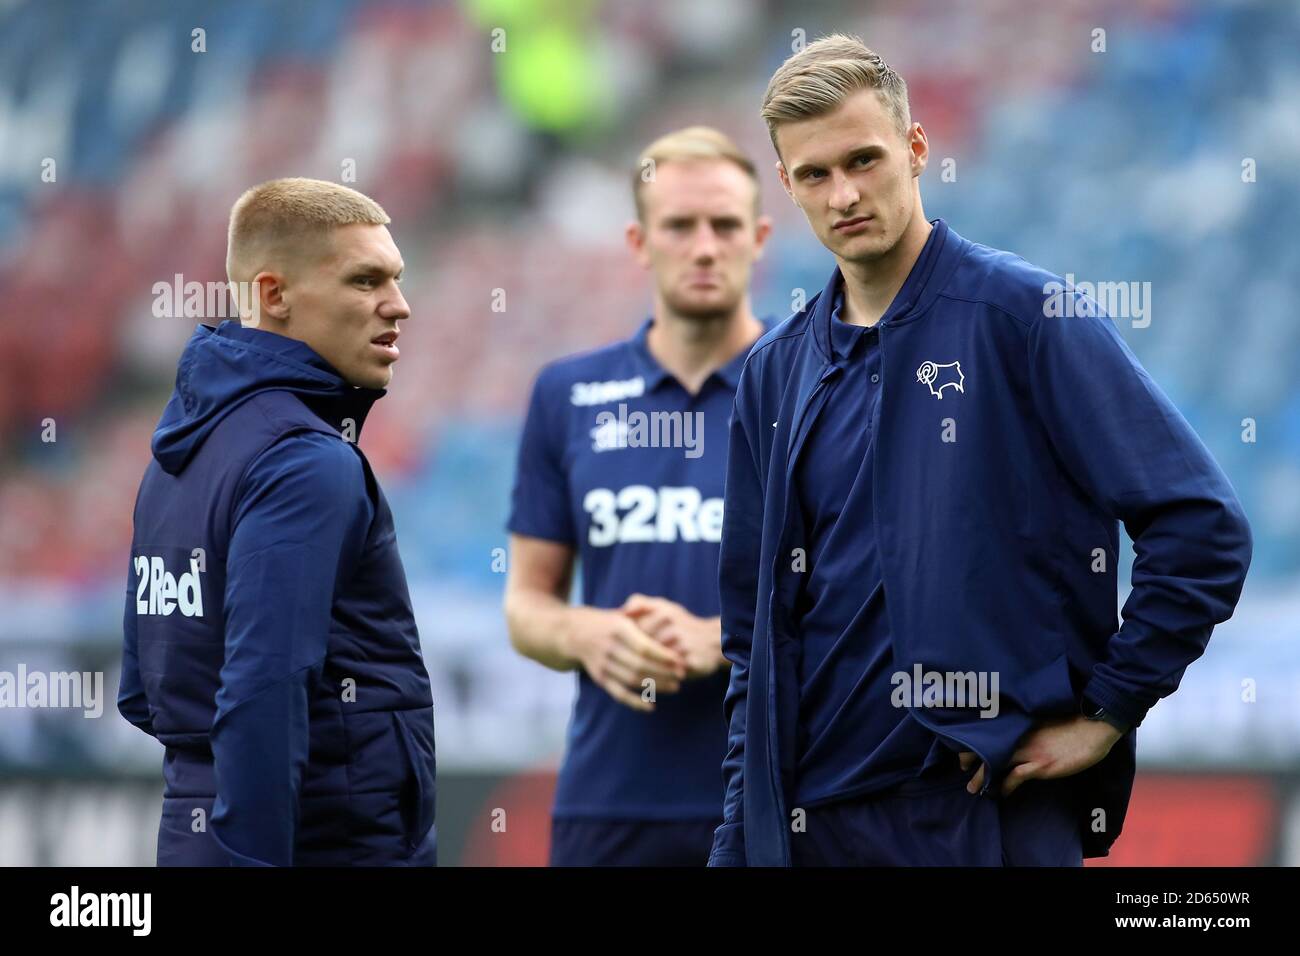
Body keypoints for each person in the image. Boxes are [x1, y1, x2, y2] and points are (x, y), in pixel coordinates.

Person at [708, 35, 1252, 867]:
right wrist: (738, 840)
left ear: (917, 149)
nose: (844, 193)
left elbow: (1201, 528)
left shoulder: (1025, 317)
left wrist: (1107, 711)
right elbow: (754, 642)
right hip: (813, 828)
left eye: (864, 159)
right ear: (786, 186)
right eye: (815, 174)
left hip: (983, 815)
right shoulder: (772, 373)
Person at [118, 177, 437, 866]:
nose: (399, 306)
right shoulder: (304, 462)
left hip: (194, 831)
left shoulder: (177, 452)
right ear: (273, 296)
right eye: (365, 280)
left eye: (398, 279)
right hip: (315, 843)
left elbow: (144, 693)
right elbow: (265, 686)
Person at [504, 127, 773, 866]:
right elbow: (527, 607)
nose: (704, 246)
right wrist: (588, 636)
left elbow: (864, 594)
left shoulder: (810, 384)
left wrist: (725, 639)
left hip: (776, 799)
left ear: (760, 237)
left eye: (724, 225)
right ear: (638, 241)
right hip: (611, 803)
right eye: (679, 226)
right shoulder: (568, 393)